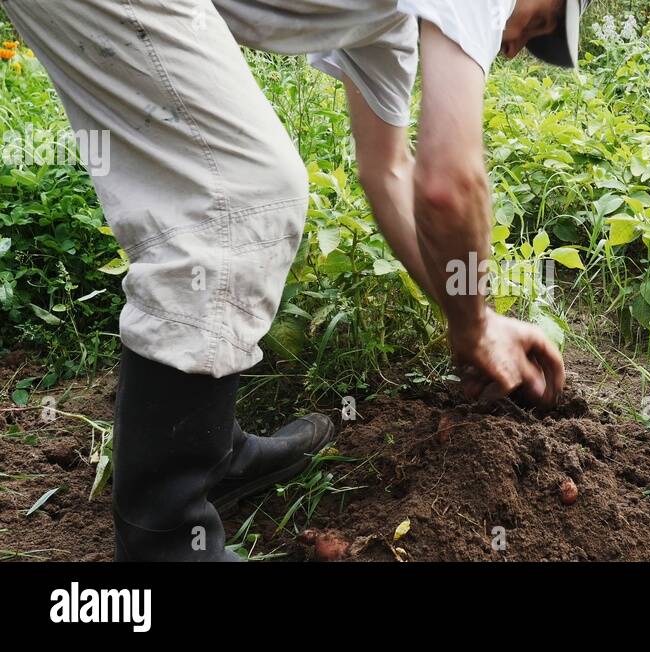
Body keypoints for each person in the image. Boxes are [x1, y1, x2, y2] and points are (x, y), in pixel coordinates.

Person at [5, 0, 588, 561]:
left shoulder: (392, 20)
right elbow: (447, 184)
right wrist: (474, 323)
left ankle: (205, 452)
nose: (519, 50)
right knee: (240, 195)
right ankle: (162, 541)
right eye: (540, 23)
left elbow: (387, 173)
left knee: (243, 187)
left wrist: (472, 320)